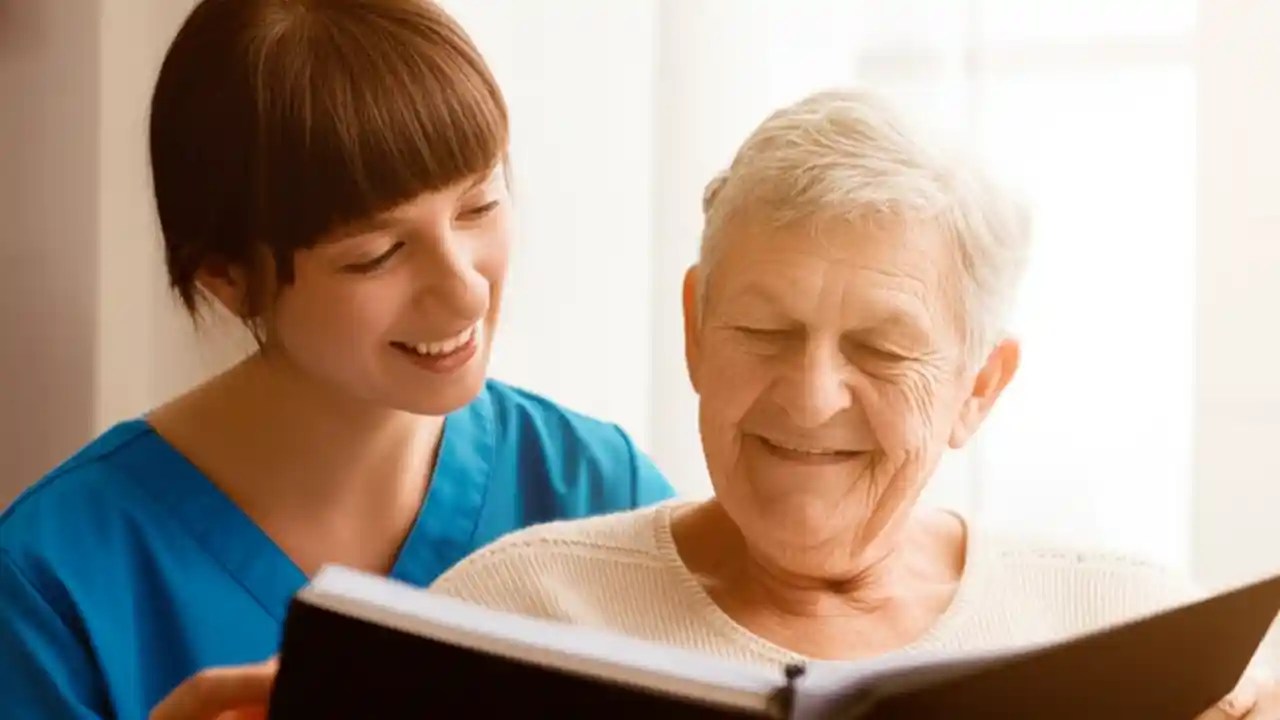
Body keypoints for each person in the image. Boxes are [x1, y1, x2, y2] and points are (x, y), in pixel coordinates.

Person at [429, 88, 1280, 718]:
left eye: (881, 349)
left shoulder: (1144, 637)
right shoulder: (506, 615)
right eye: (765, 330)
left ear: (978, 386)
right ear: (695, 328)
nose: (811, 396)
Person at [0, 1, 676, 718]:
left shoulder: (596, 489)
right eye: (377, 255)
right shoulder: (53, 585)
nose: (465, 290)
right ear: (227, 276)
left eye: (478, 207)